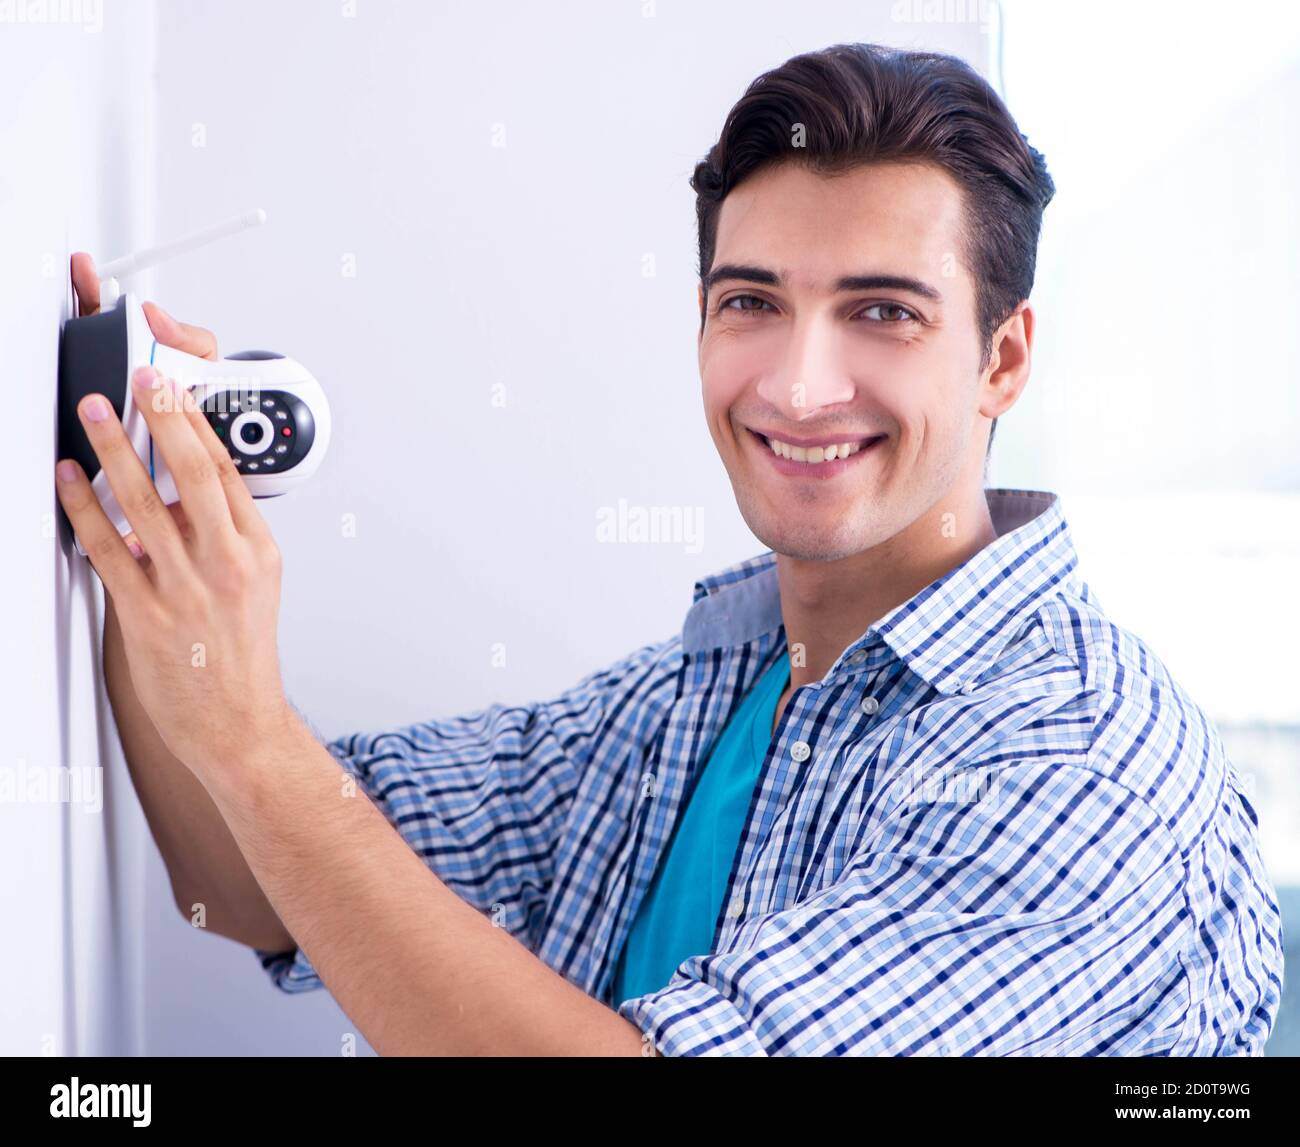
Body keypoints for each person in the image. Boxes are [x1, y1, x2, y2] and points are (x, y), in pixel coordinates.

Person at [58, 42, 1284, 1056]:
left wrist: (257, 741)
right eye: (751, 303)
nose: (800, 387)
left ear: (1003, 359)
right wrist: (155, 548)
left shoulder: (1078, 758)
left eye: (882, 312)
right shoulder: (683, 707)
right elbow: (253, 885)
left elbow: (272, 795)